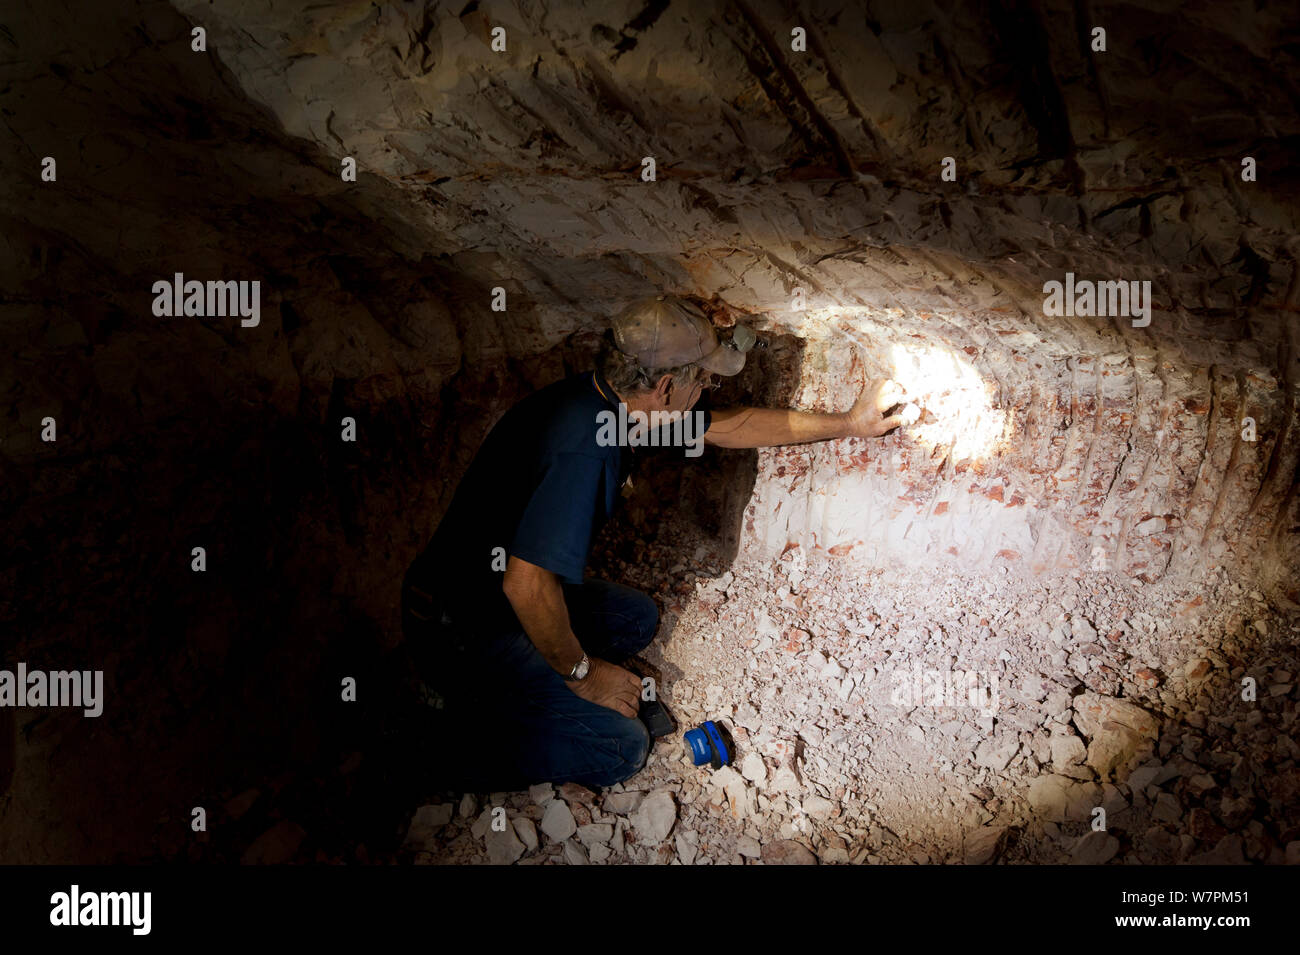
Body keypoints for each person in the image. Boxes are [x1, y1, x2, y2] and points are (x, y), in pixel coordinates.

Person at [400, 295, 908, 791]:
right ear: (665, 387)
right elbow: (526, 585)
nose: (705, 391)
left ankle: (524, 682)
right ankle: (433, 742)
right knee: (621, 747)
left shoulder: (609, 401)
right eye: (703, 380)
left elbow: (732, 425)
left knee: (634, 618)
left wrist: (849, 424)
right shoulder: (587, 449)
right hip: (461, 629)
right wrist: (584, 674)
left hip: (479, 598)